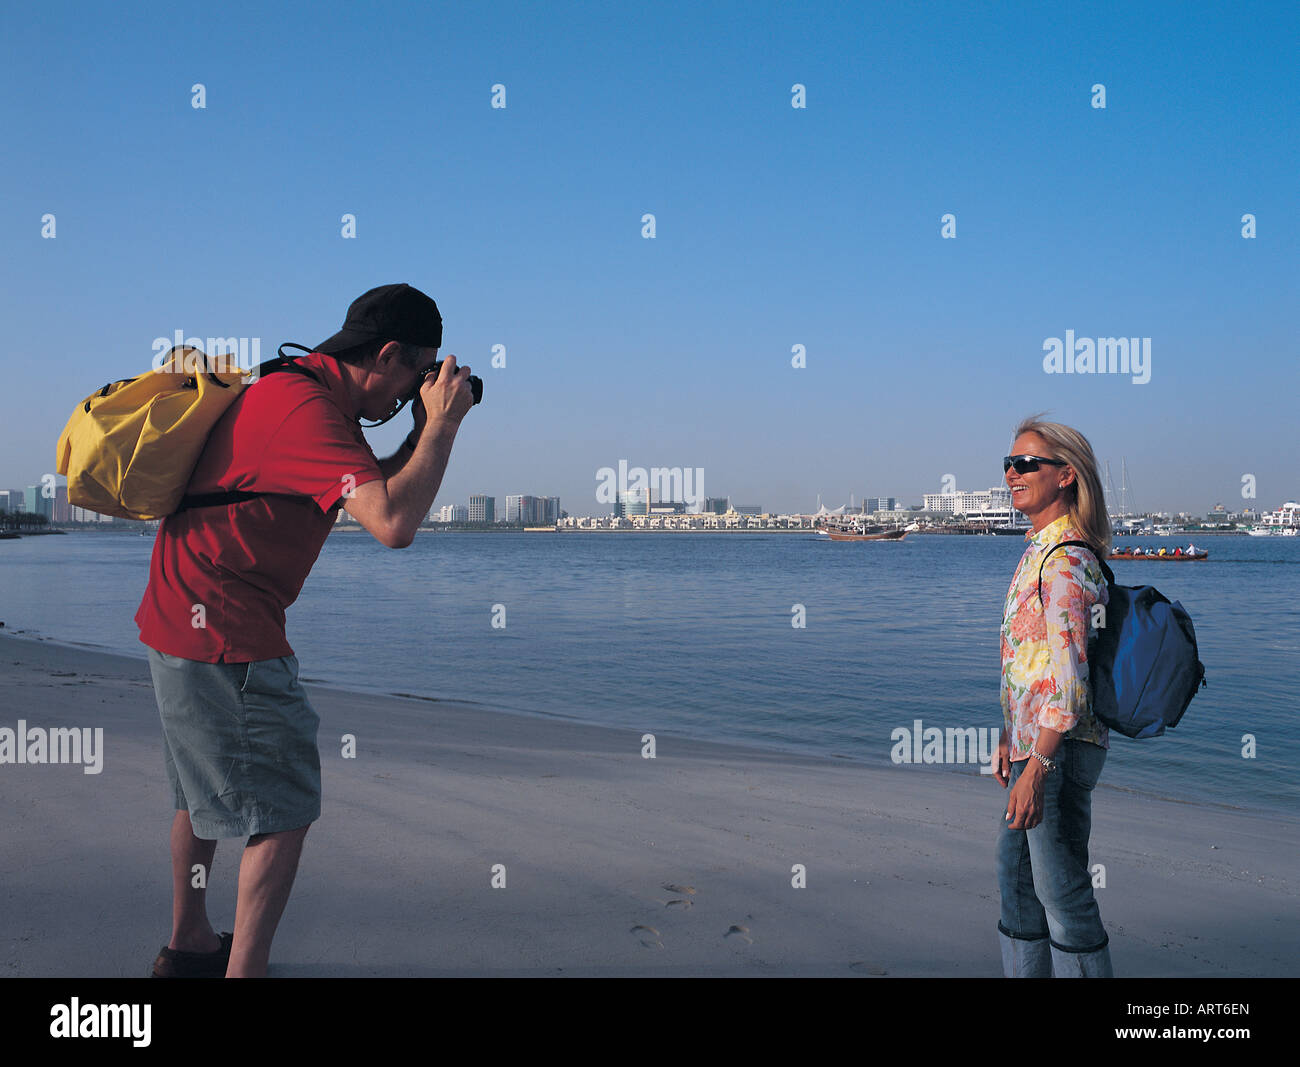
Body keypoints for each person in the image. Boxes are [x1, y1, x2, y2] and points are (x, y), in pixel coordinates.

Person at [135, 283, 476, 977]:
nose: (417, 390)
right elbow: (392, 523)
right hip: (226, 632)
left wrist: (419, 430)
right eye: (418, 374)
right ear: (386, 354)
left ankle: (191, 942)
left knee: (200, 797)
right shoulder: (312, 411)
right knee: (285, 807)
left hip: (179, 614)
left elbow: (366, 483)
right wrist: (442, 426)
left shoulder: (298, 391)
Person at [995, 416, 1114, 978]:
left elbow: (1069, 684)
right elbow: (1028, 664)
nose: (1013, 473)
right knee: (1018, 885)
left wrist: (1037, 766)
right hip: (1033, 745)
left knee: (1061, 892)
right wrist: (1008, 737)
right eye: (1009, 464)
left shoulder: (1066, 560)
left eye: (1027, 463)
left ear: (1066, 475)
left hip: (1058, 751)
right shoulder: (1037, 552)